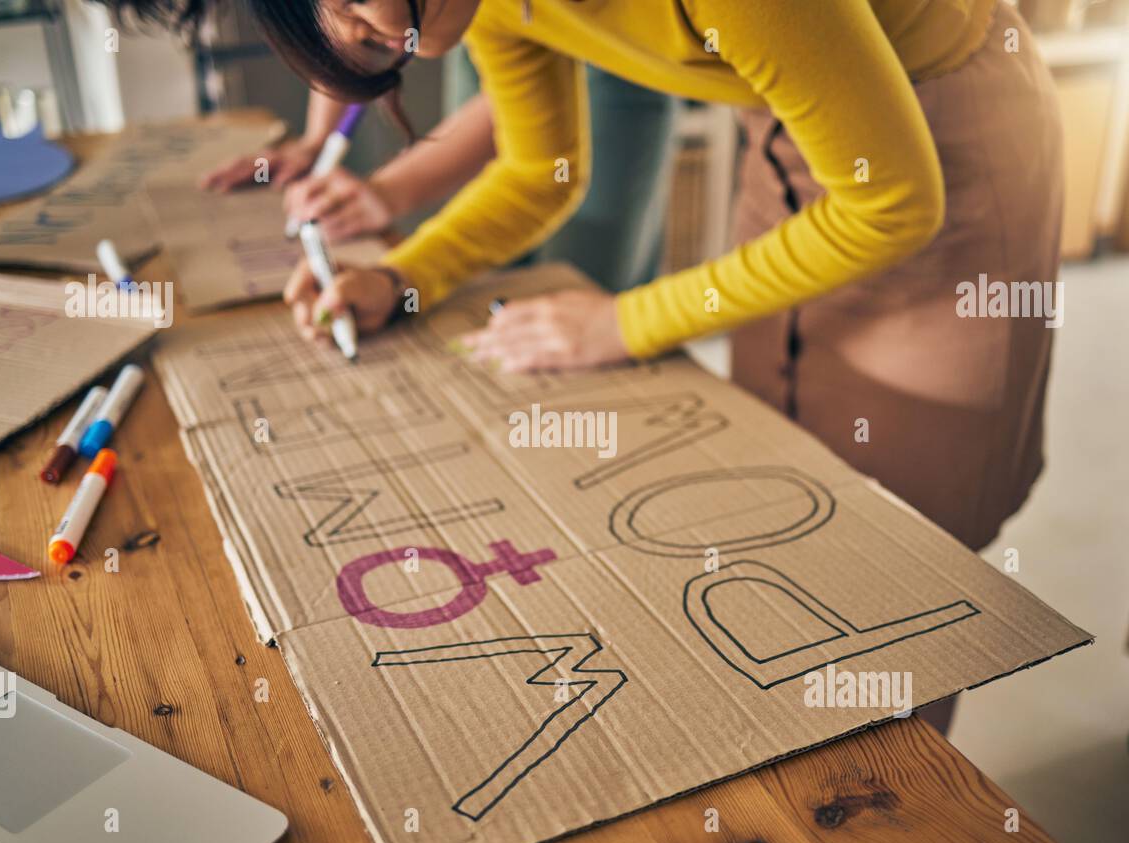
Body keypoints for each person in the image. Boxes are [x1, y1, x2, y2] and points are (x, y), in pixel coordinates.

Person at [107, 0, 1064, 735]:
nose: (350, 32)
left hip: (944, 149)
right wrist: (400, 281)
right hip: (788, 147)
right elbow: (537, 170)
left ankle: (905, 817)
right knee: (800, 493)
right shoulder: (473, 7)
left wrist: (623, 322)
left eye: (353, 4)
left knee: (900, 555)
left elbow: (891, 203)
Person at [198, 61, 677, 294]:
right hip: (489, 28)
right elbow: (341, 31)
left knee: (581, 286)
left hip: (601, 54)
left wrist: (388, 194)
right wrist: (317, 139)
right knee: (495, 262)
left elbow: (530, 106)